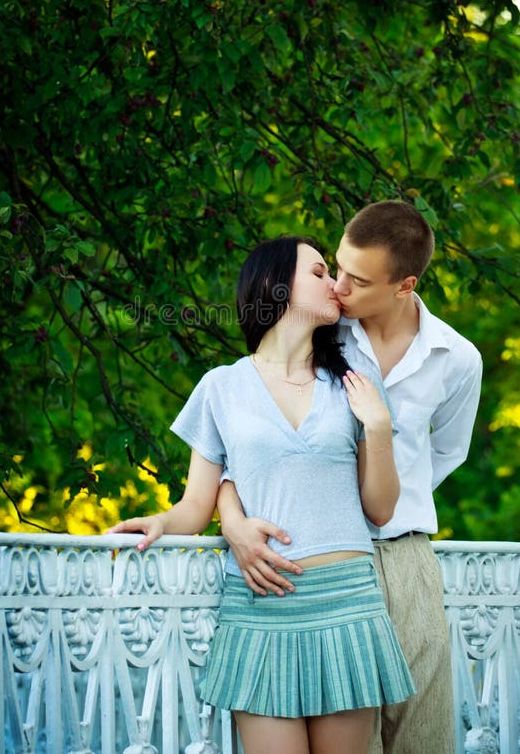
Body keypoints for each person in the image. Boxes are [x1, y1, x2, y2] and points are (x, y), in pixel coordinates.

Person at [107, 236, 415, 754]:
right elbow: (194, 506)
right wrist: (161, 521)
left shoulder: (357, 385)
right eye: (319, 273)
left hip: (345, 602)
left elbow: (380, 509)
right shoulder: (220, 387)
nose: (335, 284)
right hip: (262, 606)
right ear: (277, 285)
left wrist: (379, 430)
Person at [217, 201, 483, 754]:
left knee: (420, 733)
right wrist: (233, 517)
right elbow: (250, 437)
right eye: (335, 267)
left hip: (402, 553)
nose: (338, 286)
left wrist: (380, 494)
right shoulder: (320, 331)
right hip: (314, 564)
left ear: (404, 285)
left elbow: (447, 454)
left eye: (357, 280)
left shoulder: (456, 359)